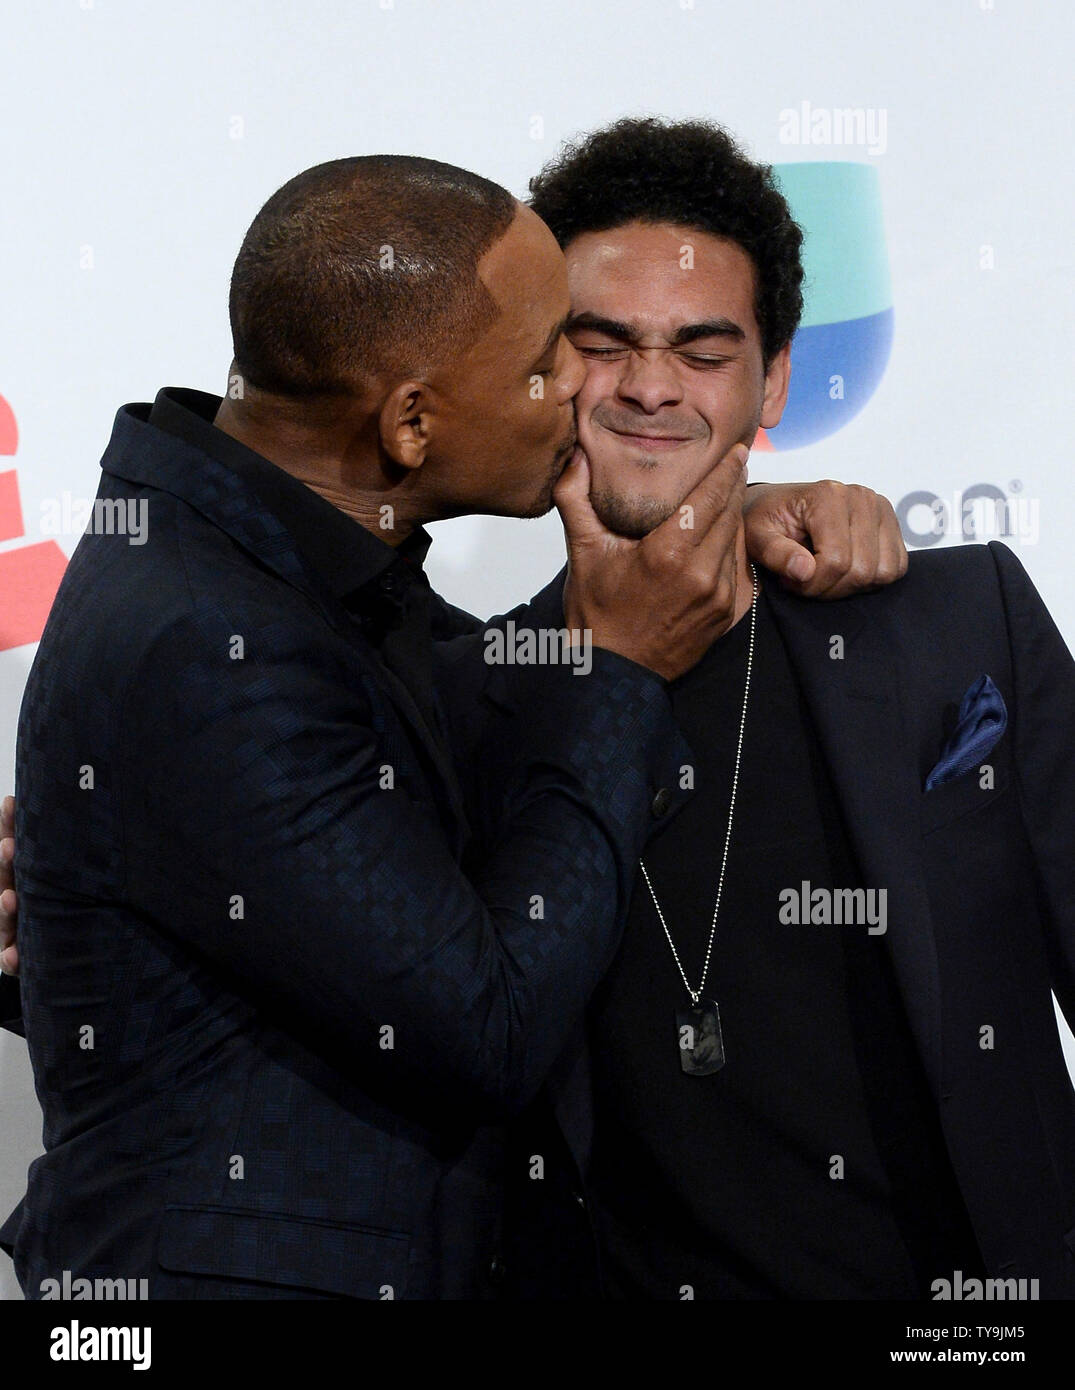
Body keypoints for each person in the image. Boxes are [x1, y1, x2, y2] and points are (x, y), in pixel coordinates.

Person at [0, 153, 903, 1300]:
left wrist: (726, 516)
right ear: (412, 421)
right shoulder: (207, 634)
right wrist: (622, 664)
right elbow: (489, 1021)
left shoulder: (272, 538)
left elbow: (459, 691)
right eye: (546, 363)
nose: (585, 390)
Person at [455, 116, 1073, 1300]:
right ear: (540, 367)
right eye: (602, 340)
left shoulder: (956, 616)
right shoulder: (466, 696)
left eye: (702, 349)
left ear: (775, 378)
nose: (647, 384)